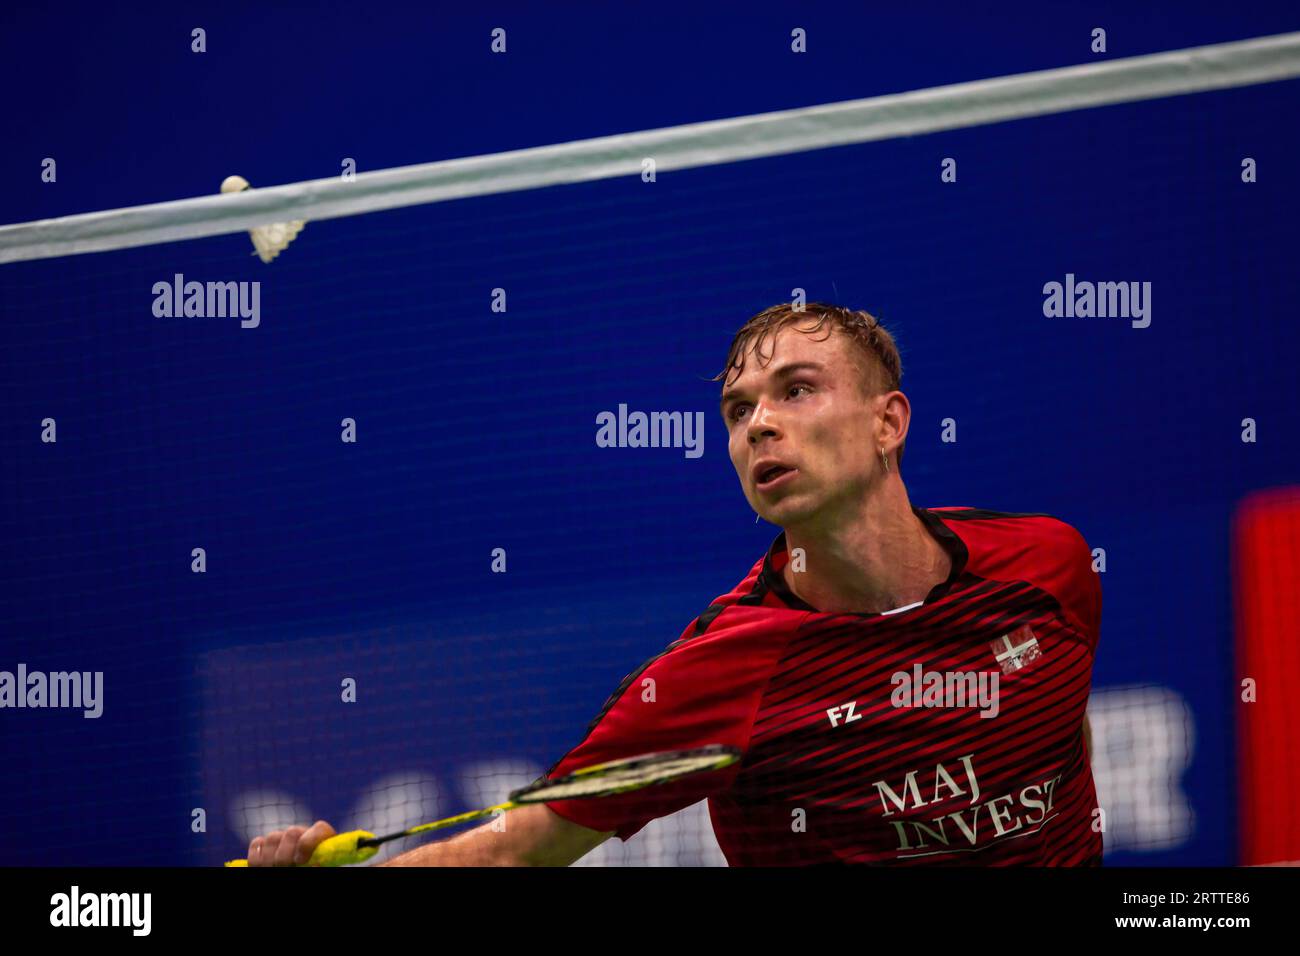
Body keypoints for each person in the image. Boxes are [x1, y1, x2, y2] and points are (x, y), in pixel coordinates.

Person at [245, 302, 1101, 867]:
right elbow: (516, 849)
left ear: (889, 422)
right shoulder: (719, 672)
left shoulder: (1048, 568)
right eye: (738, 410)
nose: (760, 422)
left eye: (796, 391)